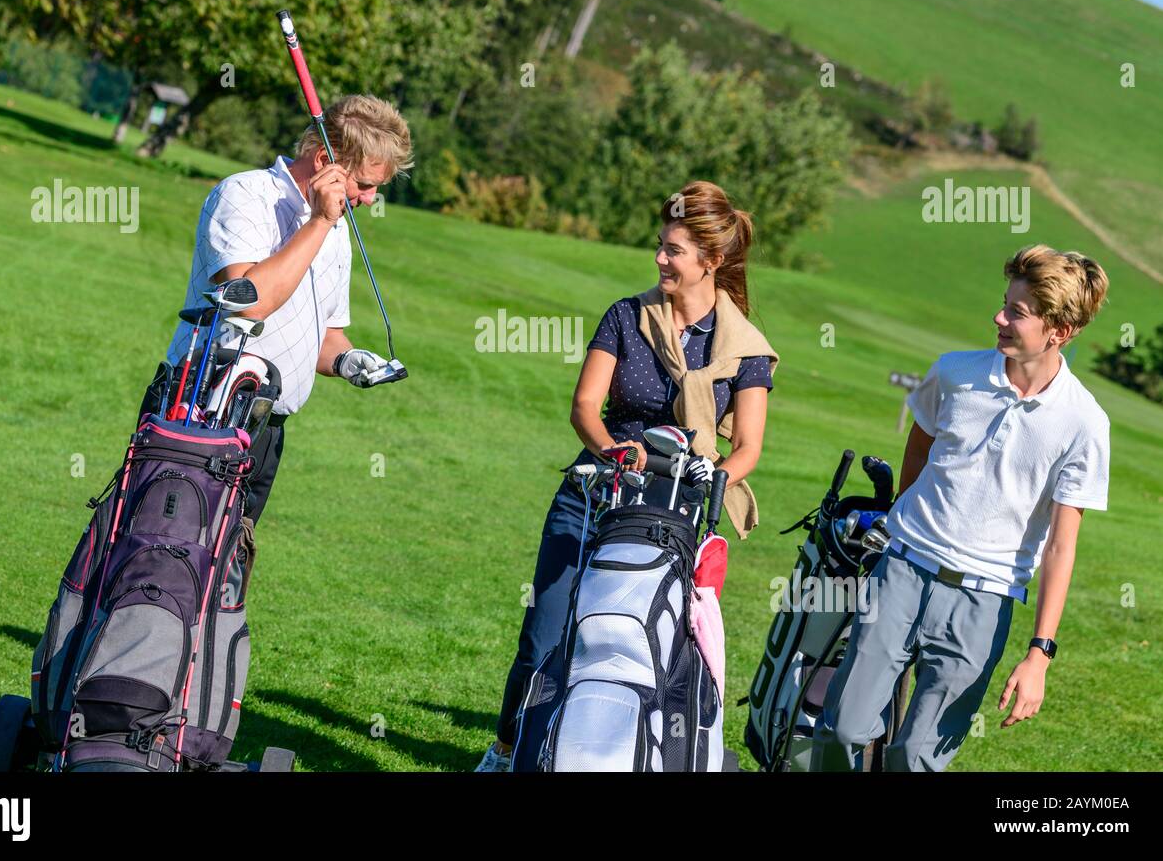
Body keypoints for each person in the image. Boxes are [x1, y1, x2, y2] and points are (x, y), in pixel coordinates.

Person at [474, 180, 779, 771]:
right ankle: (509, 749)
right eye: (661, 246)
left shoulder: (747, 351)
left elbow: (747, 448)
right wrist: (615, 450)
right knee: (547, 634)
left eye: (674, 251)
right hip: (593, 495)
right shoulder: (626, 317)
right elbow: (584, 407)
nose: (661, 259)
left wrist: (709, 470)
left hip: (671, 514)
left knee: (638, 642)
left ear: (710, 262)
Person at [812, 245, 1111, 771]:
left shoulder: (1084, 422)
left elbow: (1063, 544)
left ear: (1058, 331)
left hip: (985, 602)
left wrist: (1039, 653)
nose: (999, 318)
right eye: (1004, 304)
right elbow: (919, 445)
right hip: (901, 573)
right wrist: (900, 521)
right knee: (842, 730)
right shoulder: (952, 373)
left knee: (915, 758)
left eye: (1017, 313)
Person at [138, 95, 414, 524]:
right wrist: (318, 223)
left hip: (266, 428)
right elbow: (251, 302)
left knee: (226, 566)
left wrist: (345, 360)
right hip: (200, 410)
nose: (371, 198)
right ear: (325, 160)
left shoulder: (337, 227)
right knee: (160, 555)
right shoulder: (245, 195)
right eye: (363, 183)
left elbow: (324, 334)